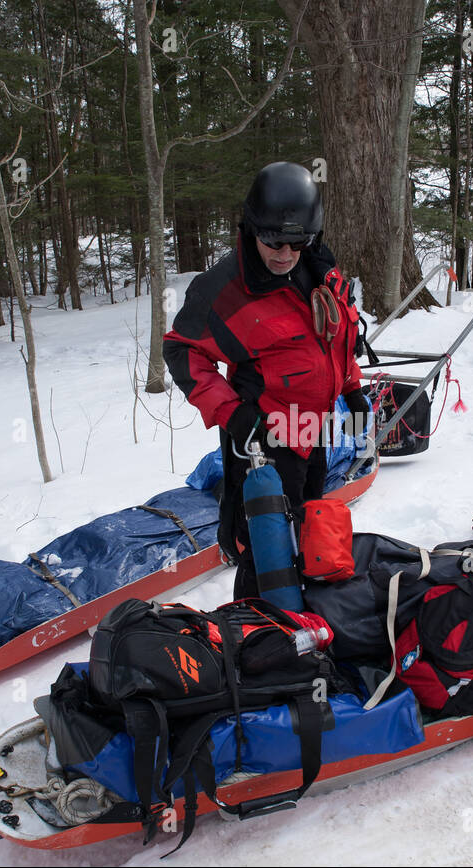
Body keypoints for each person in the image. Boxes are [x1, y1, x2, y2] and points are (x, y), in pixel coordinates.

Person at [162, 161, 369, 599]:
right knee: (264, 551)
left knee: (309, 534)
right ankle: (258, 638)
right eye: (273, 241)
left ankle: (304, 620)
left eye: (297, 242)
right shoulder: (223, 290)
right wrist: (233, 413)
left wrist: (351, 385)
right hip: (263, 440)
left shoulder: (320, 272)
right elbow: (181, 350)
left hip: (313, 431)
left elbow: (333, 340)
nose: (285, 253)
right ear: (251, 227)